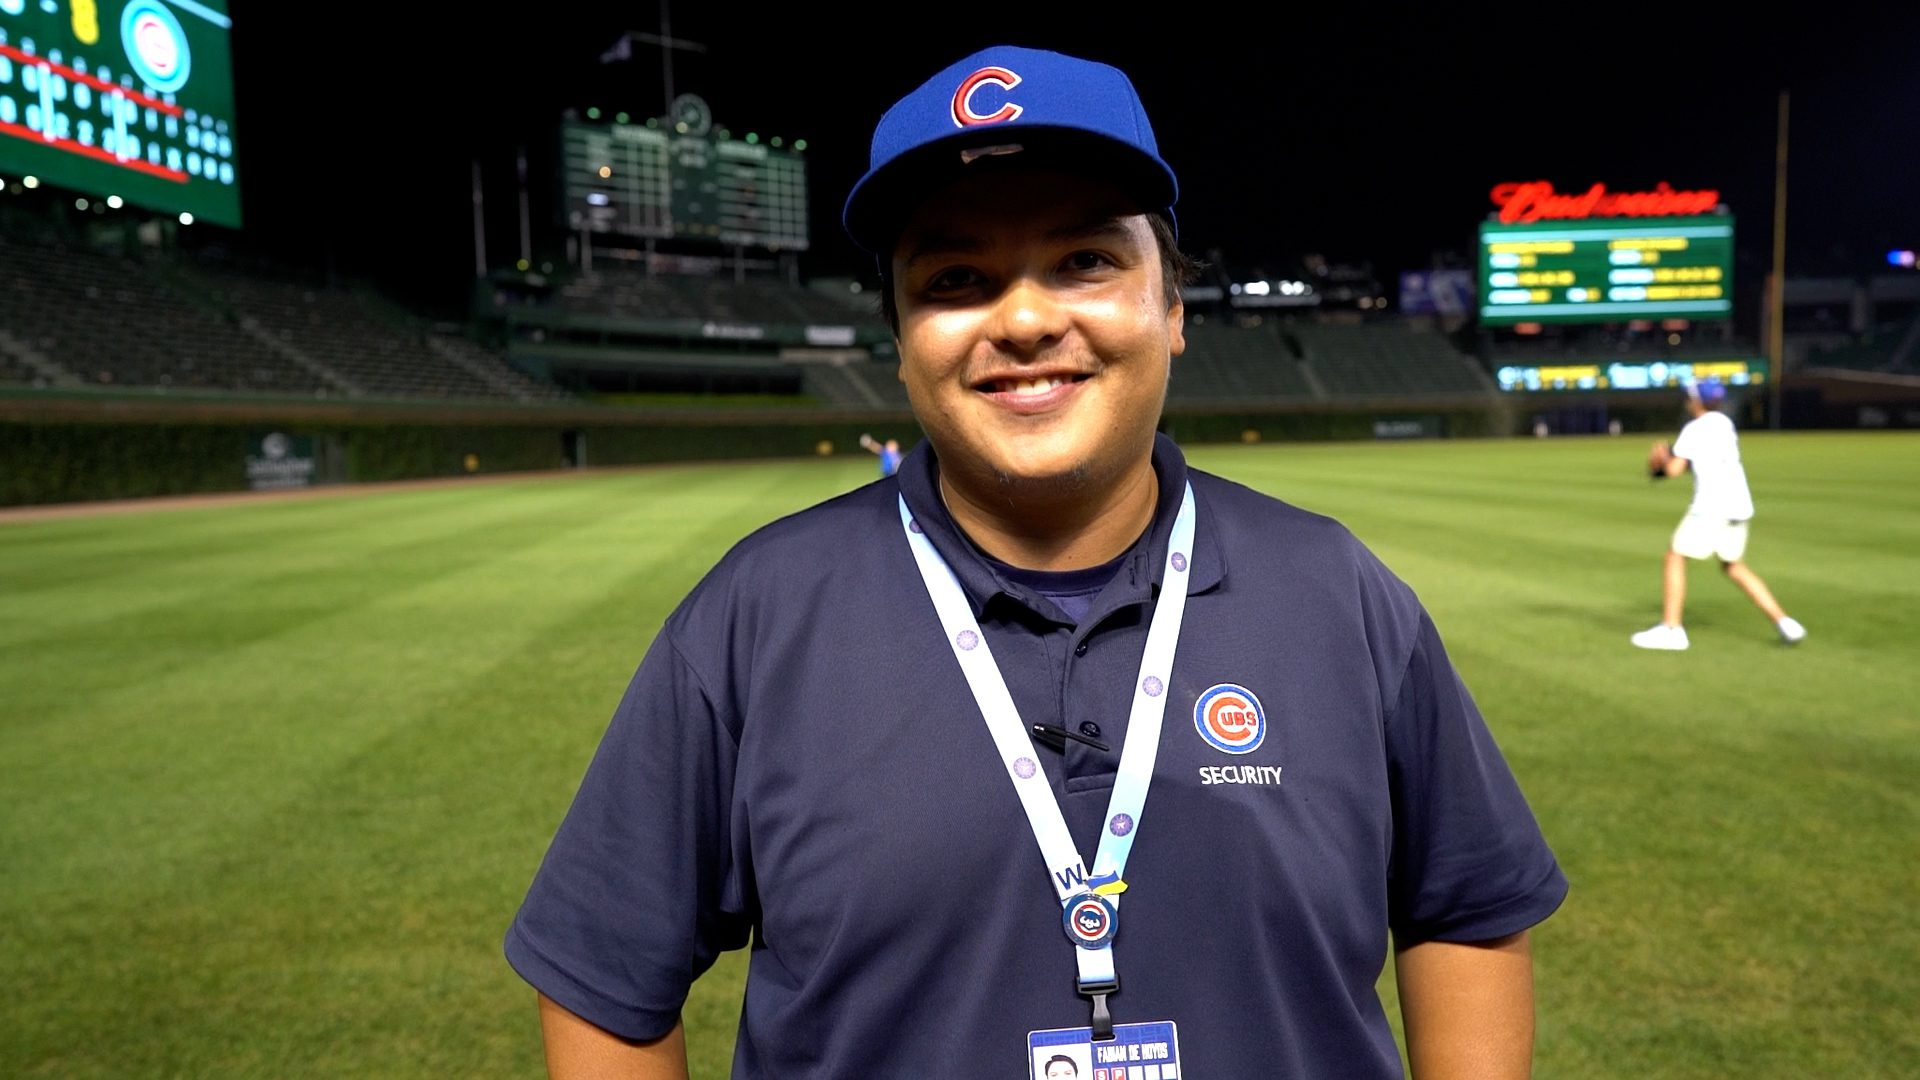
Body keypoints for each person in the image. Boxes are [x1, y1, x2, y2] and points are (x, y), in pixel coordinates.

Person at [506, 44, 1566, 1079]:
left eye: (1086, 262)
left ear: (1175, 308)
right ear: (901, 332)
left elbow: (1464, 909)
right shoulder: (757, 613)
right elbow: (605, 978)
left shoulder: (1337, 590)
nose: (1023, 318)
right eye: (958, 277)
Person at [1631, 378, 1806, 650]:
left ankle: (1671, 628)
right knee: (1734, 566)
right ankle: (1785, 623)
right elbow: (1702, 461)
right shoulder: (1725, 424)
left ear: (1696, 401)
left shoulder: (1694, 428)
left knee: (1674, 556)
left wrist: (1657, 465)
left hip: (1711, 505)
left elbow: (1674, 470)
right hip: (1739, 505)